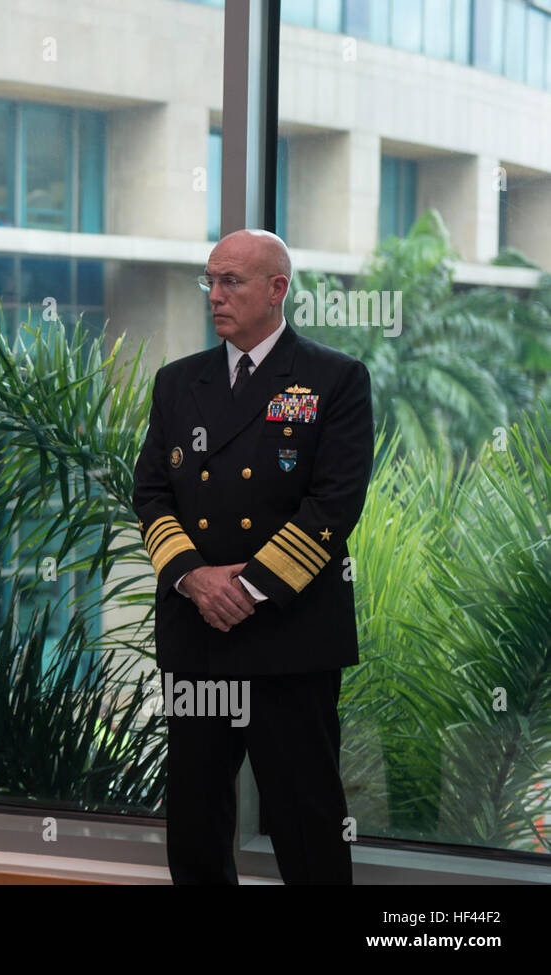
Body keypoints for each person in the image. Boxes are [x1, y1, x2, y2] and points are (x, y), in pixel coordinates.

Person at [131, 228, 373, 884]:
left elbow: (333, 506)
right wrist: (193, 579)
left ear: (277, 289)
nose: (215, 294)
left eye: (230, 281)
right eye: (209, 280)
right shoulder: (178, 382)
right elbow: (150, 492)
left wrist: (249, 588)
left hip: (289, 640)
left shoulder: (335, 378)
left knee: (306, 821)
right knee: (196, 823)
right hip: (197, 637)